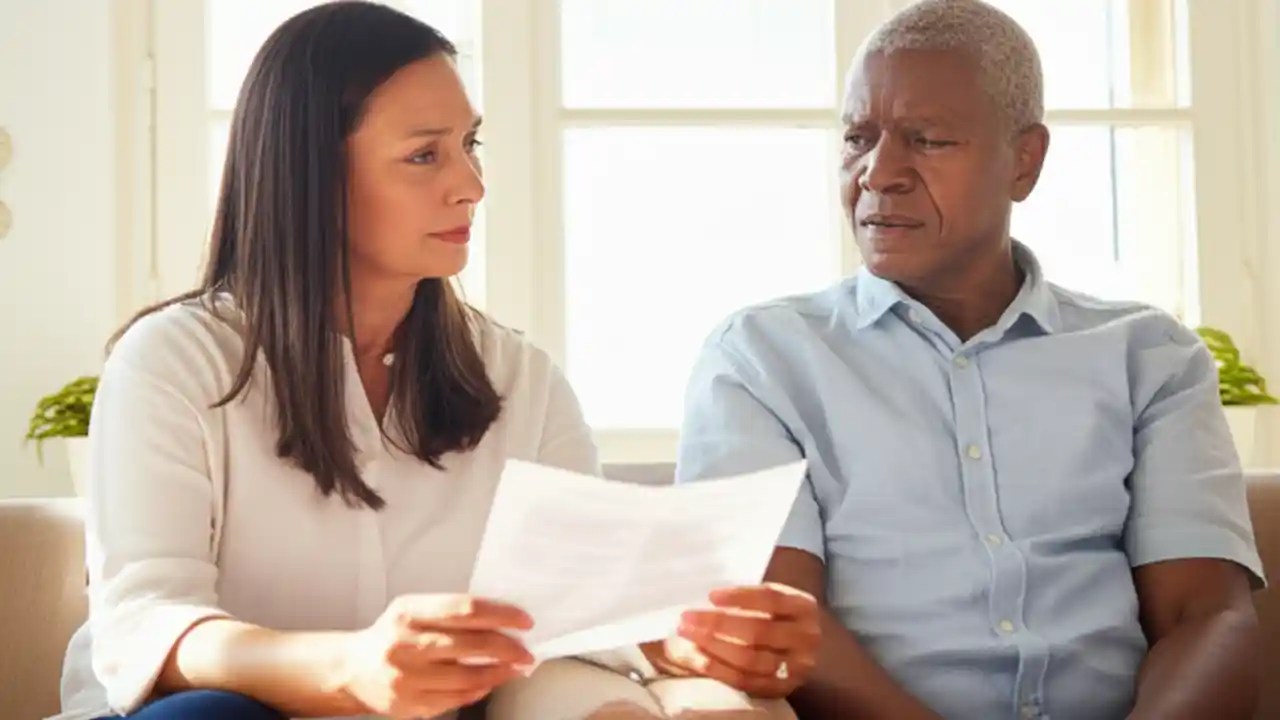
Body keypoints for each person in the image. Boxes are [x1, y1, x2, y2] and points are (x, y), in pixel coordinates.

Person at [53, 3, 817, 719]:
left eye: (469, 145)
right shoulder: (176, 363)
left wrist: (682, 639)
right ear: (312, 175)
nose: (472, 187)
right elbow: (147, 620)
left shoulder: (520, 380)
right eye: (424, 155)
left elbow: (580, 607)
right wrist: (347, 668)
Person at [675, 1, 1266, 719]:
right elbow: (775, 623)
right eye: (857, 137)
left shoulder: (1151, 357)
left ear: (1025, 159)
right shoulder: (761, 361)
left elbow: (1205, 617)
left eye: (926, 139)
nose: (878, 172)